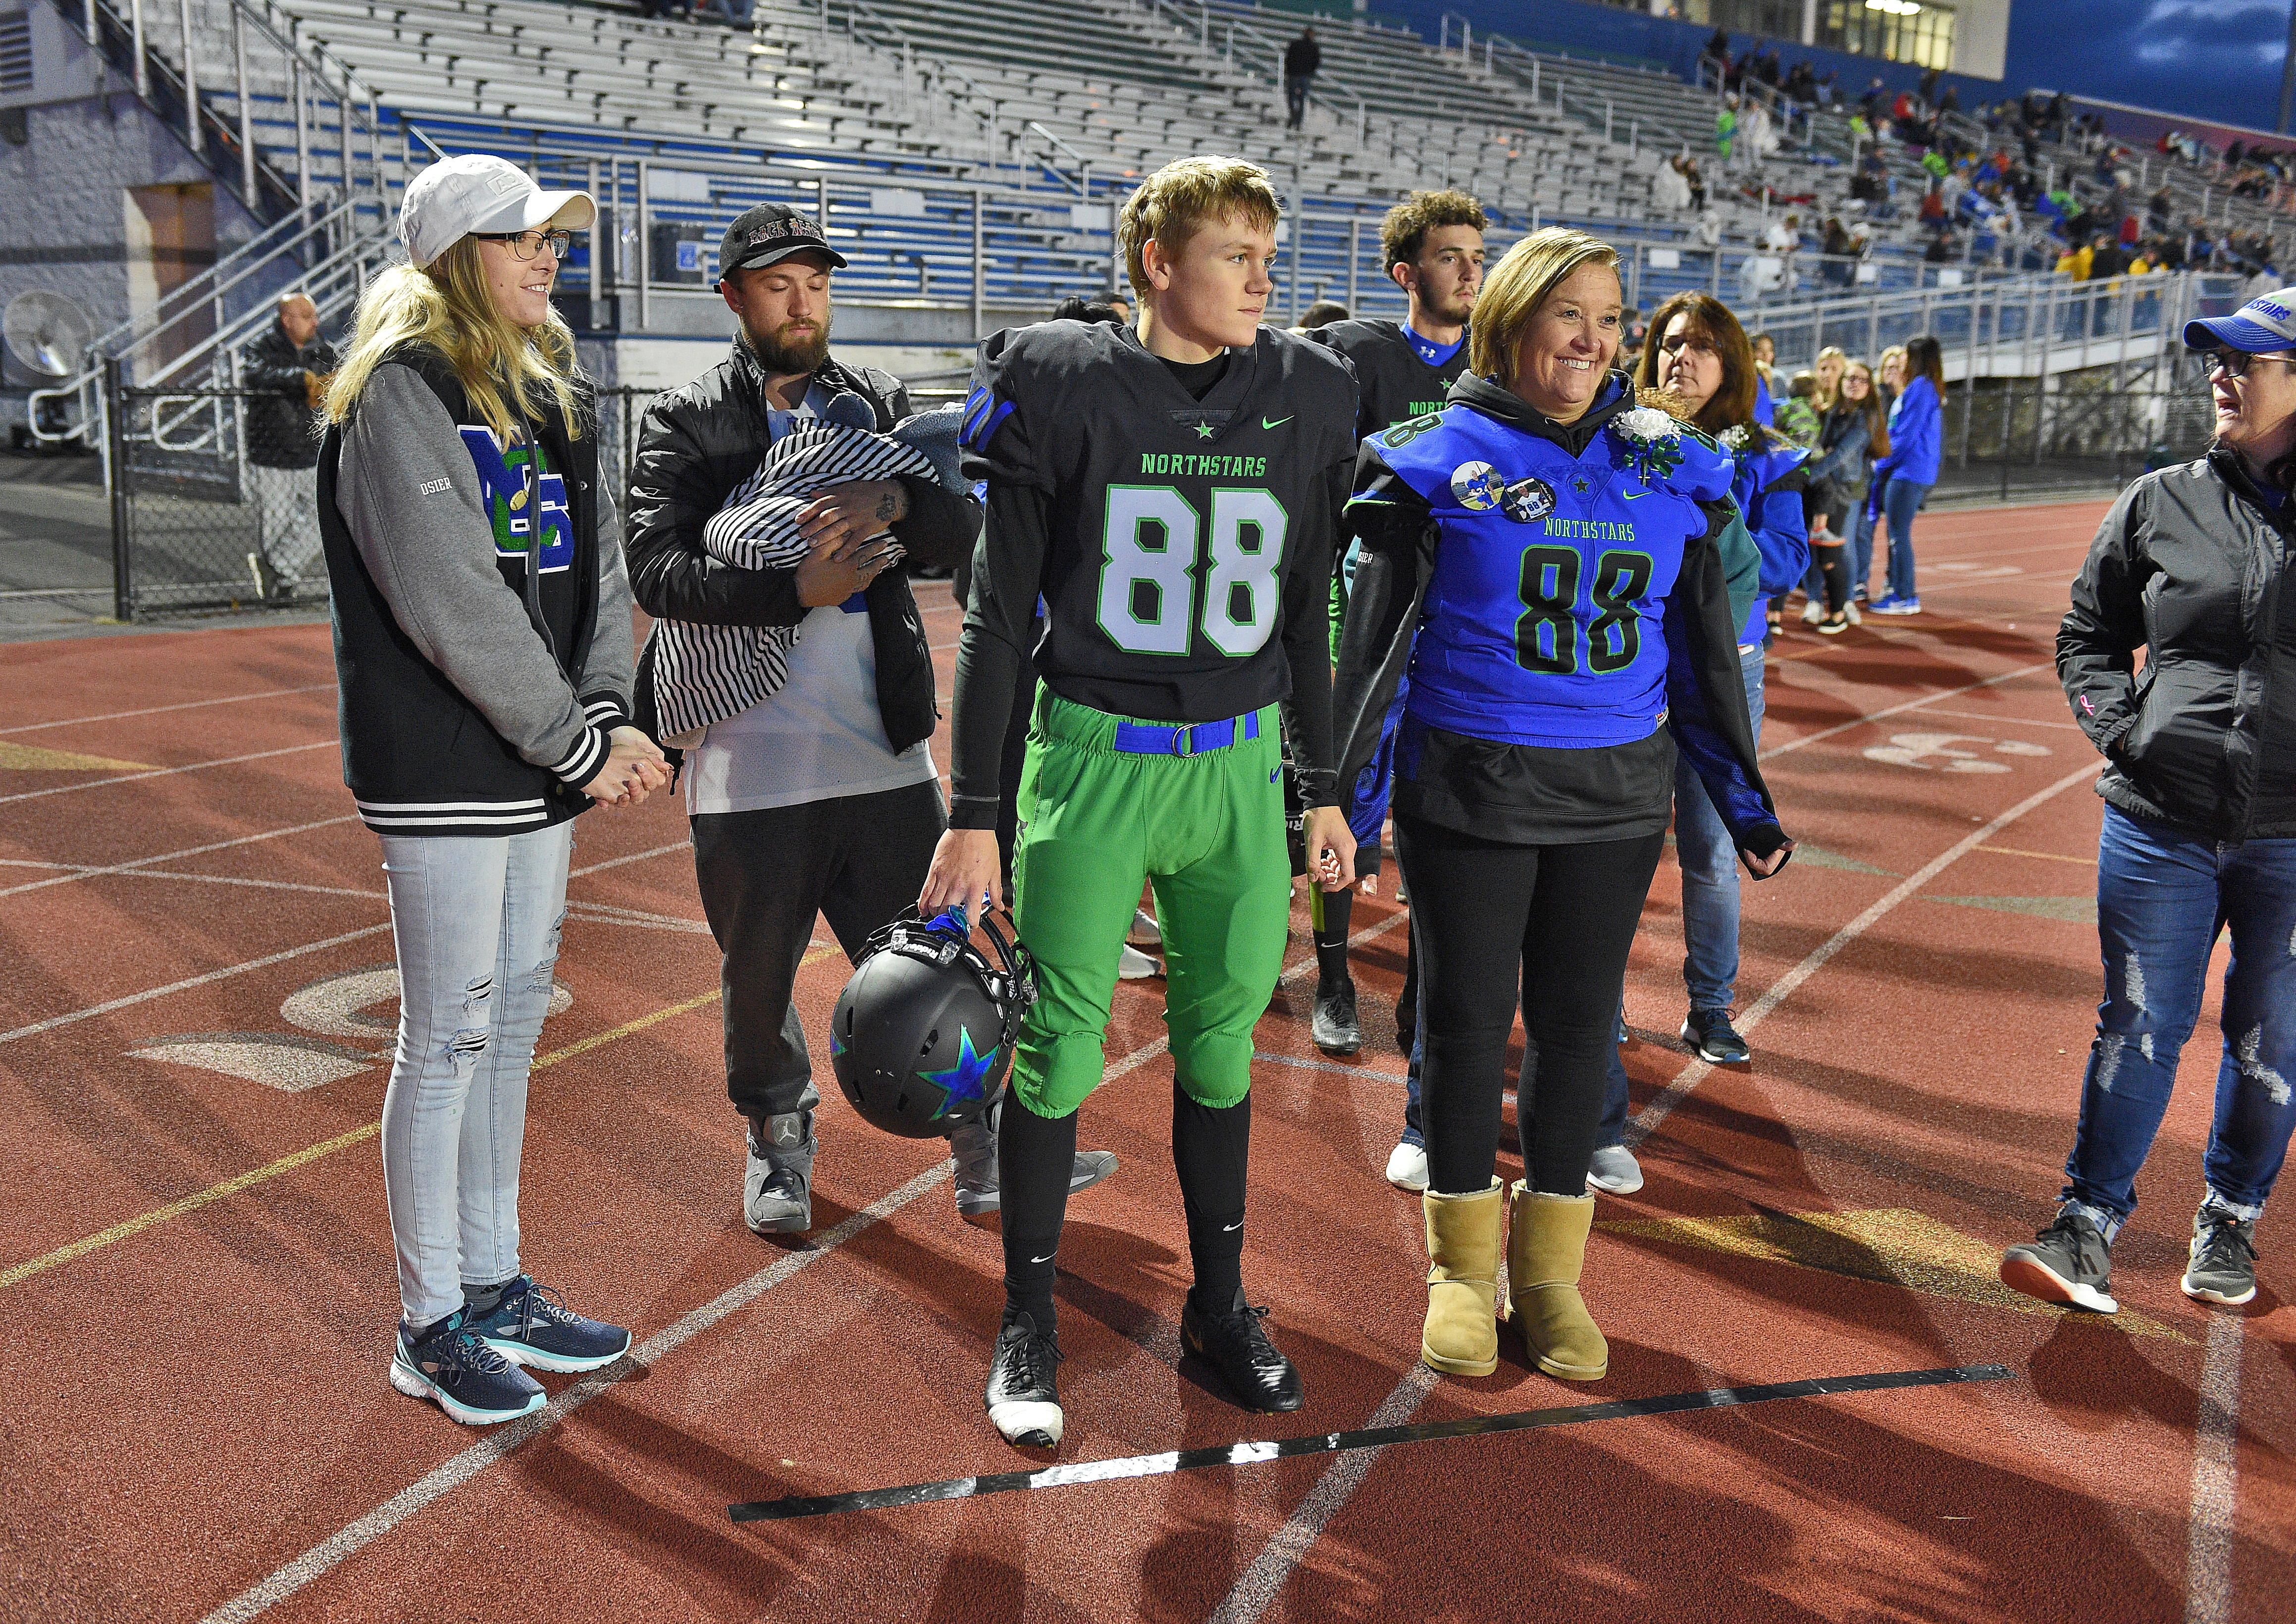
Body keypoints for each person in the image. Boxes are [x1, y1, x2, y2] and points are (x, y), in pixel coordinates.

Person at [921, 155, 1359, 1449]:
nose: (1261, 280)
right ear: (1156, 263)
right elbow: (995, 619)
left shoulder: (1305, 390)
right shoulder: (1063, 381)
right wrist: (975, 809)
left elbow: (1310, 611)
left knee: (1221, 1045)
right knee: (1057, 1046)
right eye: (1234, 254)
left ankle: (1218, 1305)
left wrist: (1323, 788)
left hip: (1239, 765)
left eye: (1268, 256)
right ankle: (1029, 1317)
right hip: (1091, 756)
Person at [1332, 227, 1791, 1382]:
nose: (1592, 339)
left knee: (1579, 1028)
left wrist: (1741, 797)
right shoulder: (1431, 455)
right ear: (1511, 322)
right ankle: (1455, 1270)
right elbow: (1373, 649)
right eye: (1567, 314)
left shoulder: (1670, 462)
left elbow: (1703, 647)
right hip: (1470, 786)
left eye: (1608, 317)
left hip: (1616, 794)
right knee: (1464, 1020)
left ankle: (1546, 1278)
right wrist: (1341, 799)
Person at [626, 204, 1114, 1232]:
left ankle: (982, 1147)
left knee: (943, 959)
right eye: (777, 286)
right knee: (758, 983)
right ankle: (777, 1142)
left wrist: (892, 504)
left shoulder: (879, 399)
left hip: (882, 752)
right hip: (747, 761)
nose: (802, 305)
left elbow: (961, 528)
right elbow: (656, 570)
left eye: (815, 284)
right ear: (733, 297)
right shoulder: (685, 416)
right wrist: (790, 592)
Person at [316, 154, 664, 1425]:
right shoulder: (399, 390)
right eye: (520, 238)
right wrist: (581, 743)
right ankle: (428, 1324)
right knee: (450, 1034)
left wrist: (606, 712)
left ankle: (493, 1279)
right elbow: (449, 597)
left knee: (509, 1025)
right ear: (456, 255)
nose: (547, 255)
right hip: (449, 767)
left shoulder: (548, 387)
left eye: (552, 238)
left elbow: (599, 576)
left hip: (538, 759)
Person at [2000, 289, 2296, 1317]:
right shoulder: (2160, 500)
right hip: (2156, 822)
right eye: (2216, 359)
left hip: (2290, 837)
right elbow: (2086, 636)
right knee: (2136, 1021)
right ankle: (2084, 1225)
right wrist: (2122, 731)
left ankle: (2230, 1215)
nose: (2221, 374)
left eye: (2247, 361)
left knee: (2271, 1035)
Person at [1308, 188, 1487, 1174]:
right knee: (1345, 797)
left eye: (1476, 256)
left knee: (1443, 810)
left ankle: (1424, 993)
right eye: (1450, 256)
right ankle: (1333, 977)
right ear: (1404, 271)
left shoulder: (1492, 364)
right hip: (1368, 617)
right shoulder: (1359, 357)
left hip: (1457, 626)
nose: (1469, 271)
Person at [1636, 293, 1808, 1066]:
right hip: (1635, 668)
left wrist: (1708, 521)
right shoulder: (1625, 436)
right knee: (1620, 847)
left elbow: (1788, 561)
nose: (1684, 358)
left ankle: (1711, 1007)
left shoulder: (1771, 455)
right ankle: (1599, 1002)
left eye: (1704, 346)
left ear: (1732, 362)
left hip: (1726, 668)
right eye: (1672, 343)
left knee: (1708, 849)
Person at [242, 291, 337, 603]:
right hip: (273, 452)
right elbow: (255, 375)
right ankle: (282, 586)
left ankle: (277, 568)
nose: (315, 322)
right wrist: (301, 379)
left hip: (311, 450)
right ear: (287, 320)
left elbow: (338, 378)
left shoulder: (323, 350)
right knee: (275, 525)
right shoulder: (262, 347)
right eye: (307, 317)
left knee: (324, 515)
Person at [1803, 356, 1887, 634]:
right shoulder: (1830, 411)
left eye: (1862, 380)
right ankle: (1815, 600)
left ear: (1870, 387)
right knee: (1814, 543)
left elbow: (1840, 454)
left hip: (1847, 490)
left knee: (1843, 546)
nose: (1855, 384)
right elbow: (1820, 446)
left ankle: (1846, 601)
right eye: (1851, 378)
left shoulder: (1866, 417)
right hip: (1824, 488)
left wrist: (1809, 475)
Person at [1868, 333, 1943, 615]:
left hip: (1909, 470)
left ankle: (1904, 595)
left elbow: (1906, 435)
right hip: (1913, 469)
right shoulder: (1928, 387)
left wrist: (1882, 461)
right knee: (1897, 533)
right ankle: (1900, 590)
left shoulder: (1921, 388)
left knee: (1898, 535)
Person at [1283, 27, 1320, 132]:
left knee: (1292, 98)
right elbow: (1316, 62)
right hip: (1303, 76)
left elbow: (1288, 59)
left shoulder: (1296, 44)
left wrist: (1289, 71)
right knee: (1301, 100)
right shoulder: (1313, 47)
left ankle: (1294, 117)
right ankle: (1297, 120)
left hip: (1295, 75)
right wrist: (1310, 72)